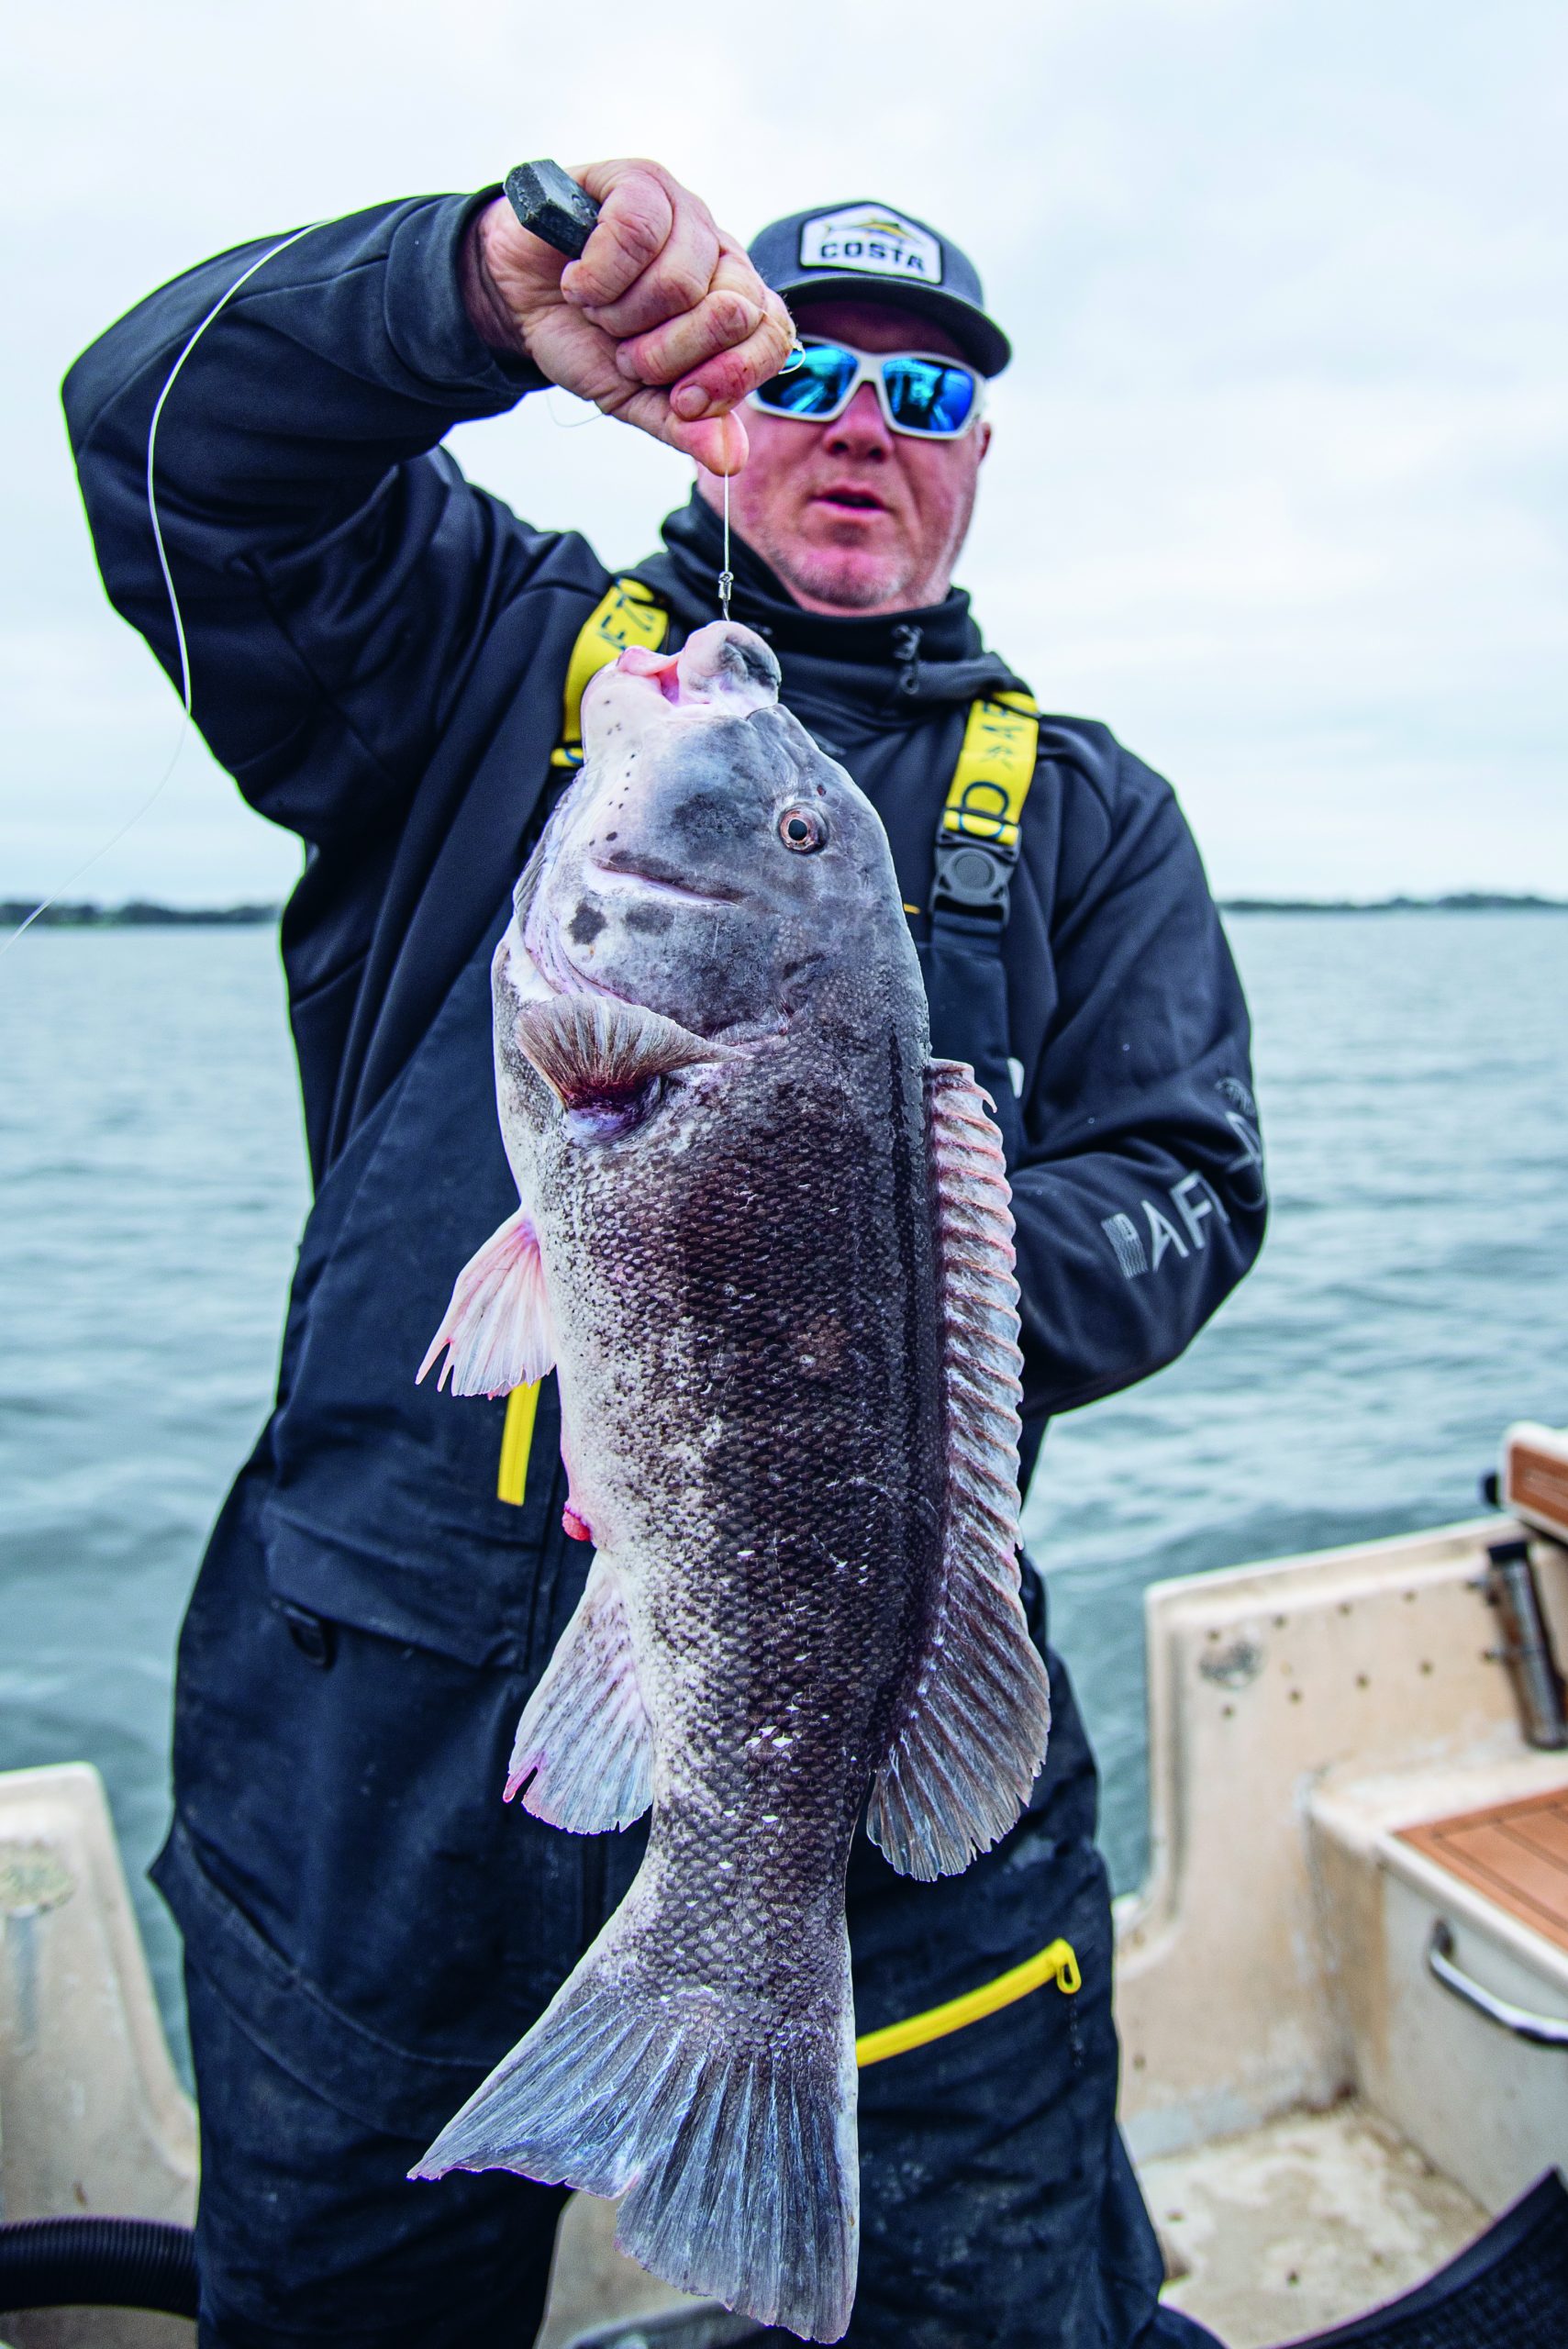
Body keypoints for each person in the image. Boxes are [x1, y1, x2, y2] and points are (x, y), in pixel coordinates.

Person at [65, 162, 1262, 2349]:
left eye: (926, 392)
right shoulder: (482, 659)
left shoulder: (1093, 813)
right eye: (808, 367)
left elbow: (1190, 1179)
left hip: (882, 1698)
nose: (865, 421)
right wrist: (461, 286)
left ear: (977, 457)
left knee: (1005, 2297)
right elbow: (162, 431)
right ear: (717, 396)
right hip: (376, 1739)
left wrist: (883, 1302)